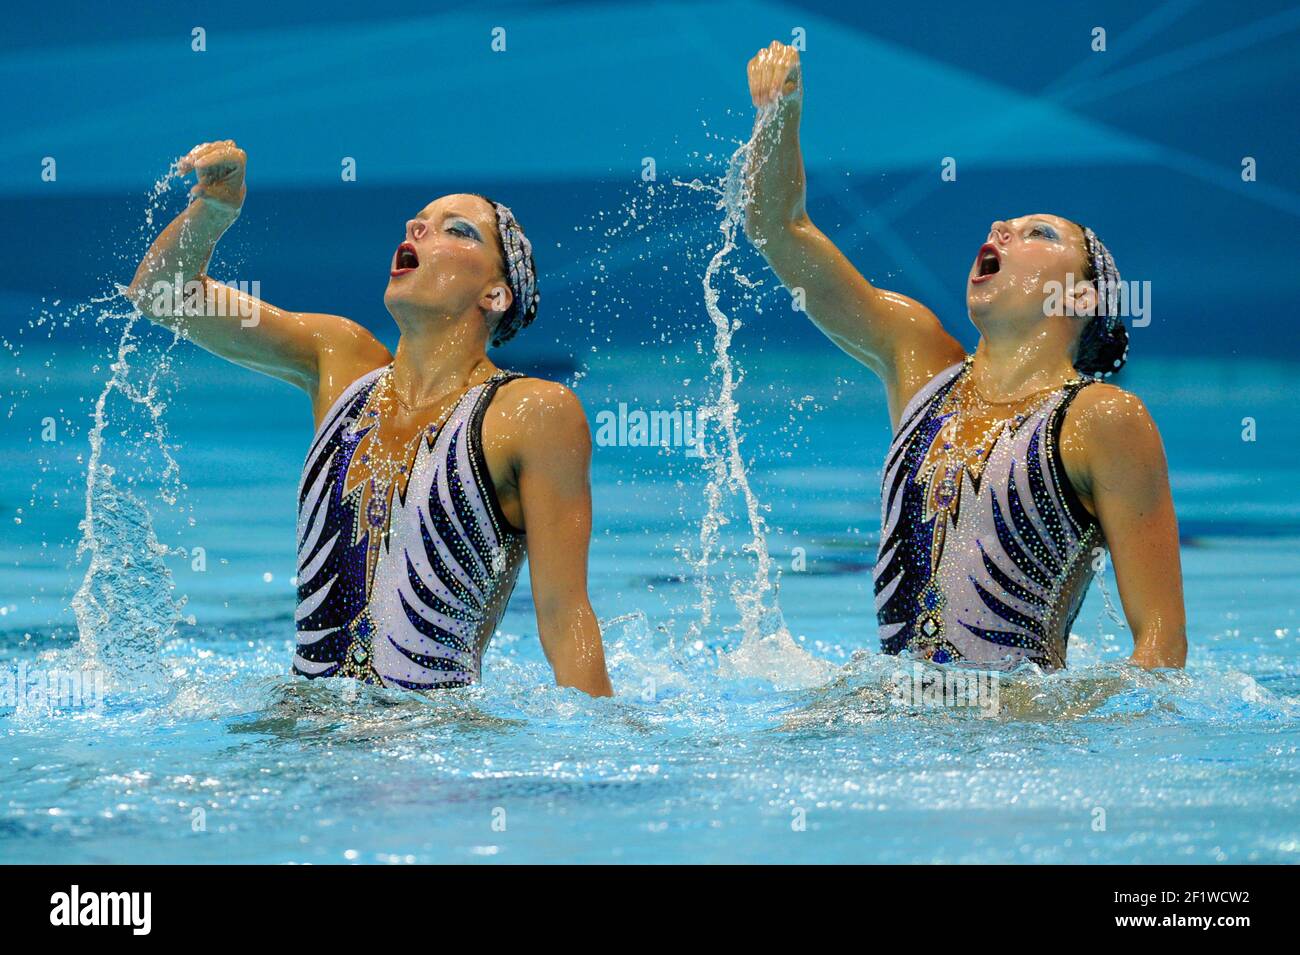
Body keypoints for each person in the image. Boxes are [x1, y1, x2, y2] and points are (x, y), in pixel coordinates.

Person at [742, 43, 1186, 670]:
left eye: (1040, 233)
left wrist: (1068, 724)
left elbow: (1162, 647)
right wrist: (779, 116)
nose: (1002, 229)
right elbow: (776, 229)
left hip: (1022, 733)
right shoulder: (919, 361)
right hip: (896, 719)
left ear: (1081, 296)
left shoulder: (1102, 419)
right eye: (1005, 224)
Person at [126, 140, 613, 696]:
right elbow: (160, 296)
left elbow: (563, 613)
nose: (419, 231)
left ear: (496, 293)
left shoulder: (531, 413)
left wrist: (608, 758)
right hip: (300, 733)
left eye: (457, 230)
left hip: (432, 748)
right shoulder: (340, 358)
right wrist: (212, 212)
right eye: (419, 222)